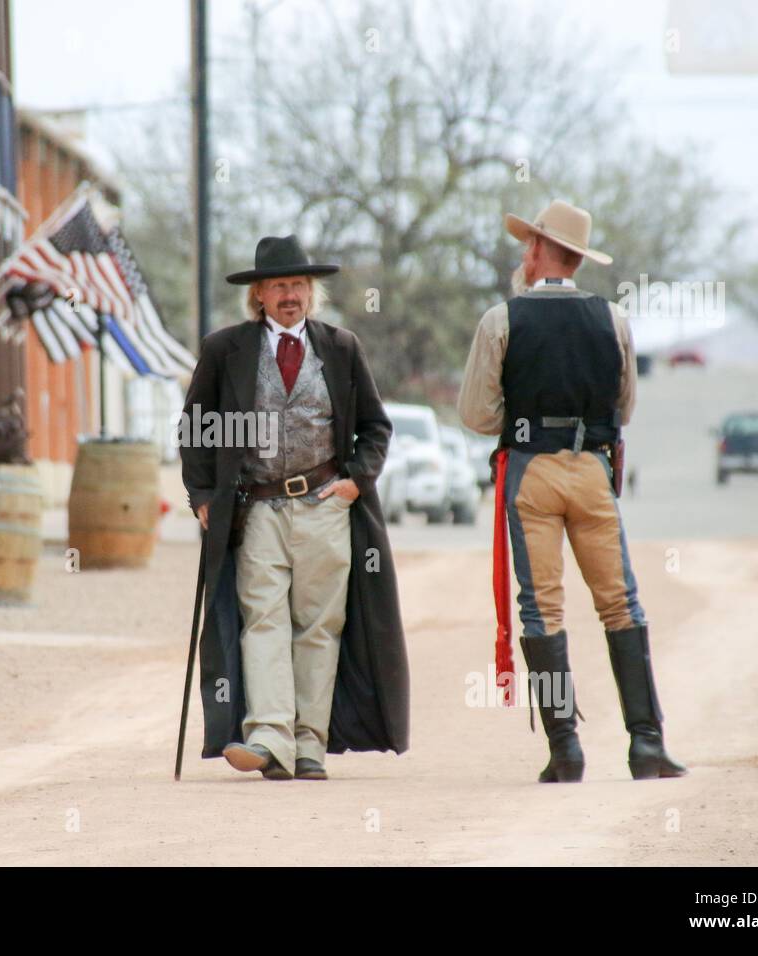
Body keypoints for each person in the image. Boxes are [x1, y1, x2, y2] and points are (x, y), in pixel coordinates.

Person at [458, 200, 686, 783]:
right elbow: (625, 406)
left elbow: (478, 415)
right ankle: (646, 744)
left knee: (542, 608)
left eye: (527, 245)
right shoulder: (613, 319)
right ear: (578, 257)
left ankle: (565, 748)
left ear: (537, 250)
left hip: (531, 471)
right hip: (592, 469)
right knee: (620, 603)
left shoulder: (500, 320)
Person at [180, 235, 409, 781]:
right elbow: (195, 428)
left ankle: (309, 744)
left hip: (325, 505)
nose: (291, 295)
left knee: (318, 626)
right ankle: (269, 738)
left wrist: (355, 481)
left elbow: (376, 427)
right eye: (280, 285)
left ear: (311, 293)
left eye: (300, 285)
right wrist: (203, 494)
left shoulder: (342, 347)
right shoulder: (224, 349)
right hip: (256, 509)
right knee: (263, 620)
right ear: (258, 294)